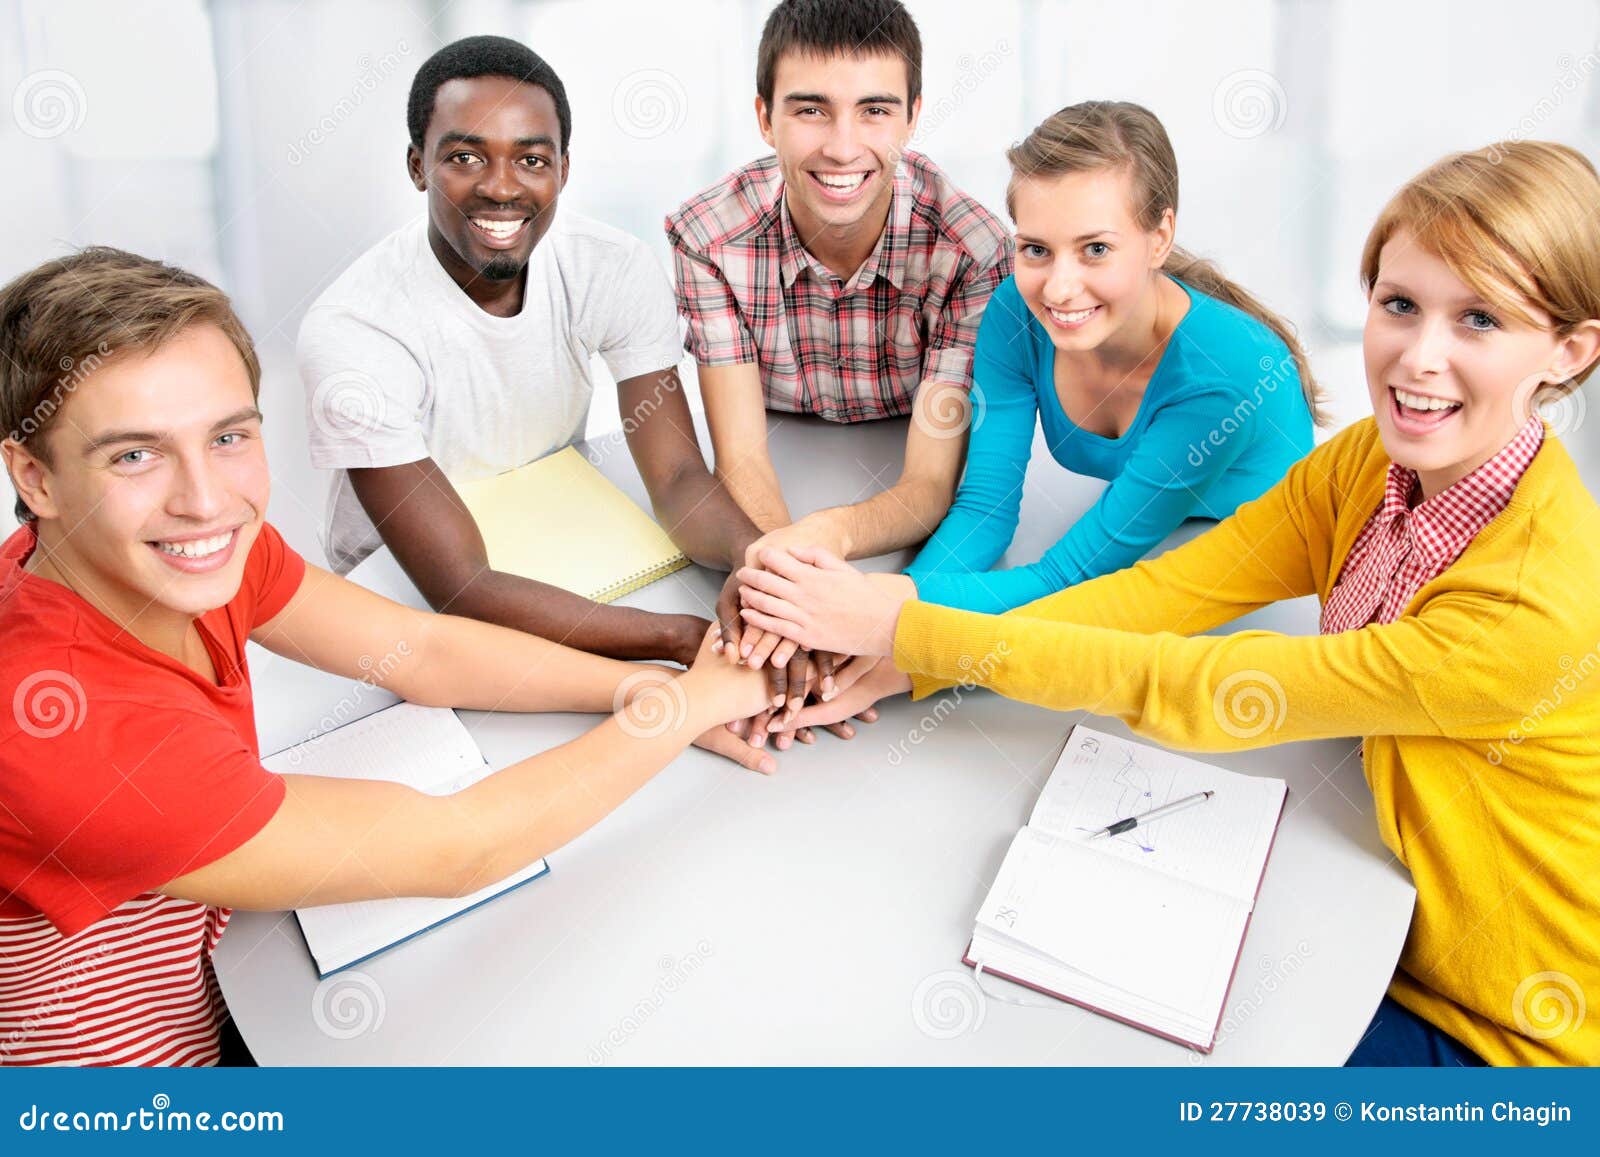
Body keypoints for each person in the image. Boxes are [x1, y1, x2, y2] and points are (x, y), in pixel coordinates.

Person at [735, 142, 1600, 1067]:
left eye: (1478, 319)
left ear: (1570, 350)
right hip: (1385, 920)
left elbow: (1196, 682)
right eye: (1400, 304)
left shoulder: (1531, 605)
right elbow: (1165, 594)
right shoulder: (1370, 463)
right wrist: (915, 662)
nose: (1419, 358)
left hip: (1506, 1031)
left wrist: (899, 623)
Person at [0, 248, 772, 1066]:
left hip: (204, 962)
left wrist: (641, 687)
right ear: (35, 479)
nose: (204, 498)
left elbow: (420, 651)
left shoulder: (173, 555)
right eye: (134, 454)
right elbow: (462, 847)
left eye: (227, 436)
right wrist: (689, 704)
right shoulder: (70, 734)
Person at [298, 36, 763, 668]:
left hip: (557, 545)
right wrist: (686, 638)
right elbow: (460, 585)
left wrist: (758, 571)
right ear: (417, 166)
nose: (501, 188)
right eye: (465, 157)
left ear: (563, 171)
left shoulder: (611, 267)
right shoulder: (356, 328)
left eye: (531, 160)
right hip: (402, 587)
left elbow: (679, 476)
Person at [666, 0, 1012, 700]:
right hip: (787, 475)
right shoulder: (707, 238)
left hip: (873, 500)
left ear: (913, 117)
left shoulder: (973, 252)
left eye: (875, 110)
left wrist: (829, 537)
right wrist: (794, 599)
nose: (843, 147)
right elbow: (742, 458)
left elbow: (929, 487)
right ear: (765, 118)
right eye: (811, 110)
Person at [908, 102, 1322, 614]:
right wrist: (886, 597)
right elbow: (985, 512)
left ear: (1159, 239)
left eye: (1096, 249)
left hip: (1262, 590)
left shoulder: (1223, 380)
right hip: (1147, 538)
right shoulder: (1014, 312)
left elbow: (1067, 578)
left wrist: (884, 610)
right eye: (1036, 249)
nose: (1058, 289)